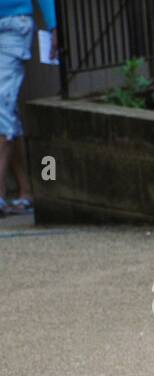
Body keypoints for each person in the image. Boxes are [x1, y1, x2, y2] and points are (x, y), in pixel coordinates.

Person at [0, 0, 56, 215]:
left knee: (1, 107)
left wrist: (53, 25)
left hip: (14, 23)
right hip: (14, 21)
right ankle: (26, 190)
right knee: (7, 110)